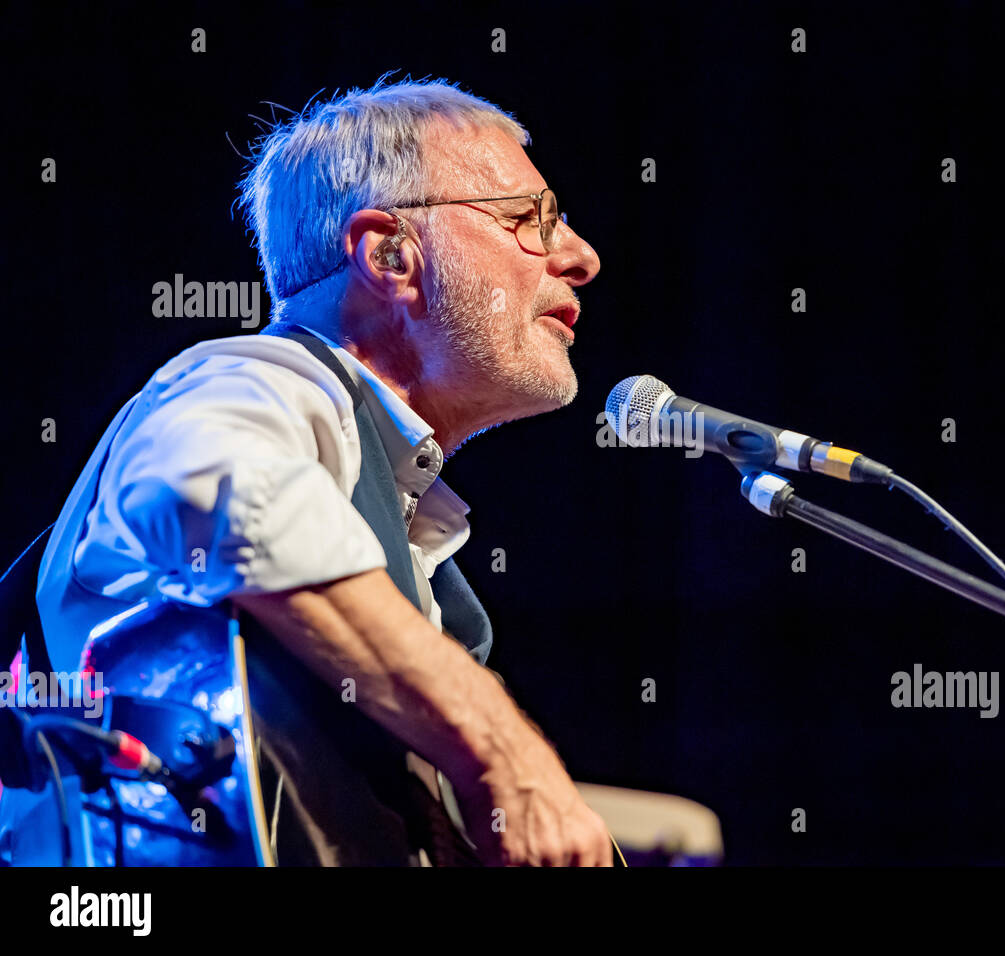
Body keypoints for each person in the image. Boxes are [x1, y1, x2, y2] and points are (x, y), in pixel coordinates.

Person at [22, 76, 612, 866]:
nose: (581, 256)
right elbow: (211, 487)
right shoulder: (259, 377)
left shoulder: (413, 538)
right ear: (391, 255)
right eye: (528, 222)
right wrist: (501, 750)